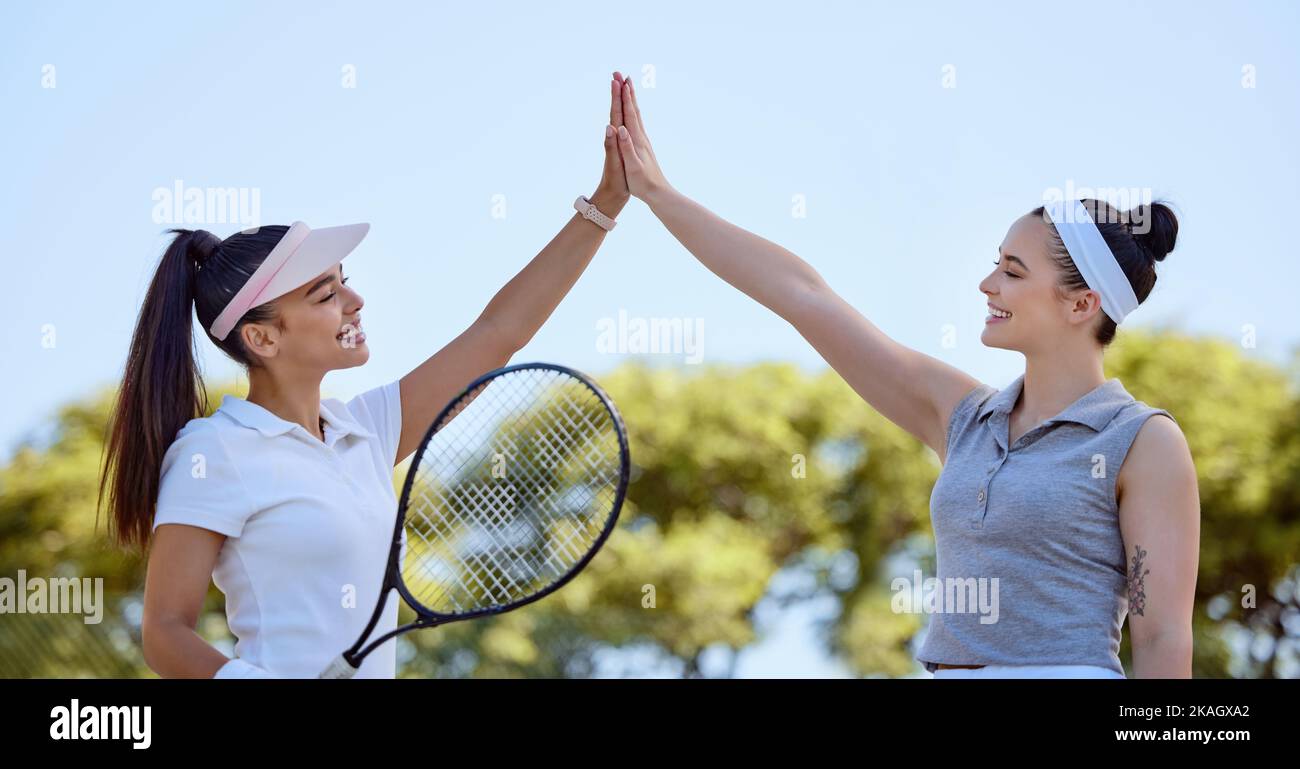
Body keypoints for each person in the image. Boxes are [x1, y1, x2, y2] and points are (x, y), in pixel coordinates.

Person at [608, 72, 1199, 678]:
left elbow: (1162, 644)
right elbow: (802, 296)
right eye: (995, 264)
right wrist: (658, 194)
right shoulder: (967, 418)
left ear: (1081, 304)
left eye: (1014, 272)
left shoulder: (1142, 440)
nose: (987, 284)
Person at [97, 75, 632, 678]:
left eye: (344, 280)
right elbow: (165, 633)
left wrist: (606, 202)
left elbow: (498, 332)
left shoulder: (364, 433)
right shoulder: (215, 451)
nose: (354, 300)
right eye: (326, 293)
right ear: (263, 338)